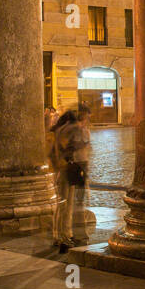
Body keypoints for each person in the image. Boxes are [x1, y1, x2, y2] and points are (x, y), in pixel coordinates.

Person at [50, 104, 92, 253]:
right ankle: (65, 236)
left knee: (63, 203)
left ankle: (59, 235)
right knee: (67, 205)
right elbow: (70, 148)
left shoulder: (60, 129)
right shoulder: (74, 129)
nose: (87, 119)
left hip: (63, 169)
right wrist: (84, 142)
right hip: (70, 169)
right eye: (87, 116)